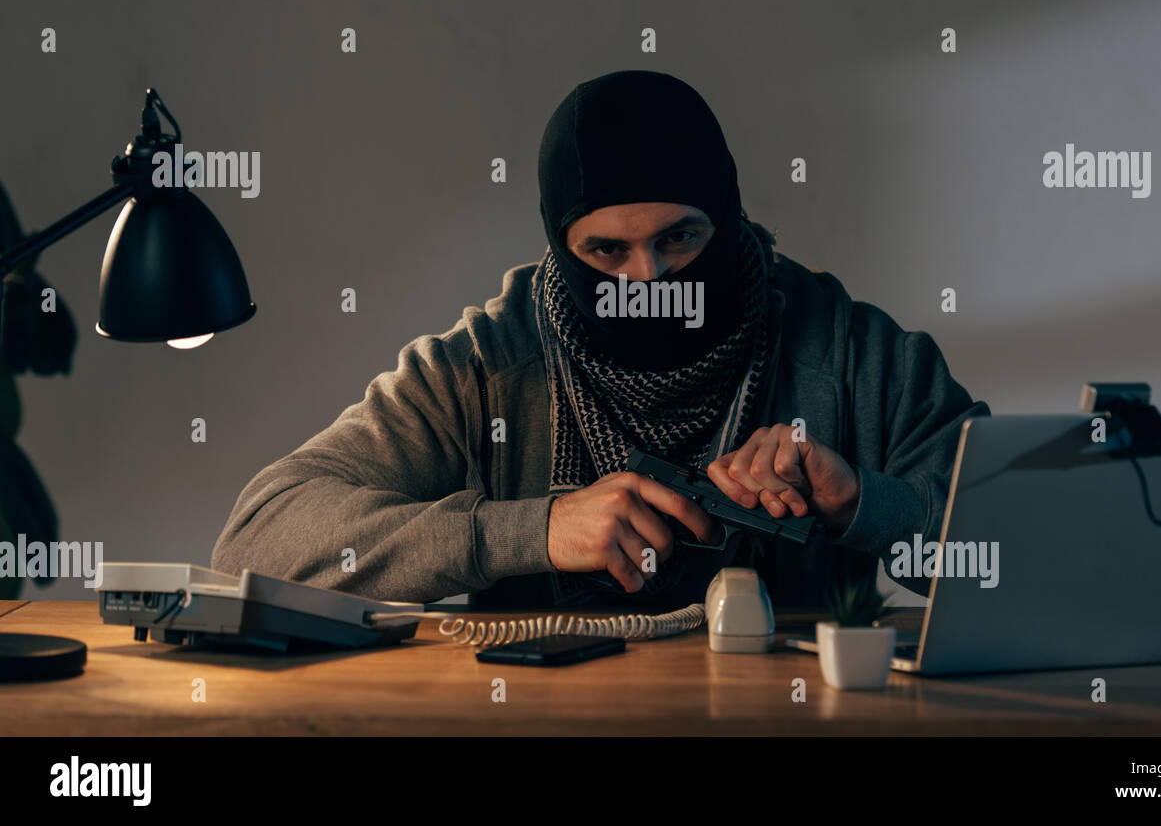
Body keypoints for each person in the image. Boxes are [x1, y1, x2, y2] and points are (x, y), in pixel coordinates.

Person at [211, 70, 990, 609]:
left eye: (681, 237)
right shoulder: (486, 365)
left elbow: (1034, 555)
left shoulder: (852, 352)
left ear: (729, 212)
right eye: (607, 252)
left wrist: (862, 501)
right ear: (561, 247)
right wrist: (531, 529)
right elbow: (257, 541)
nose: (650, 281)